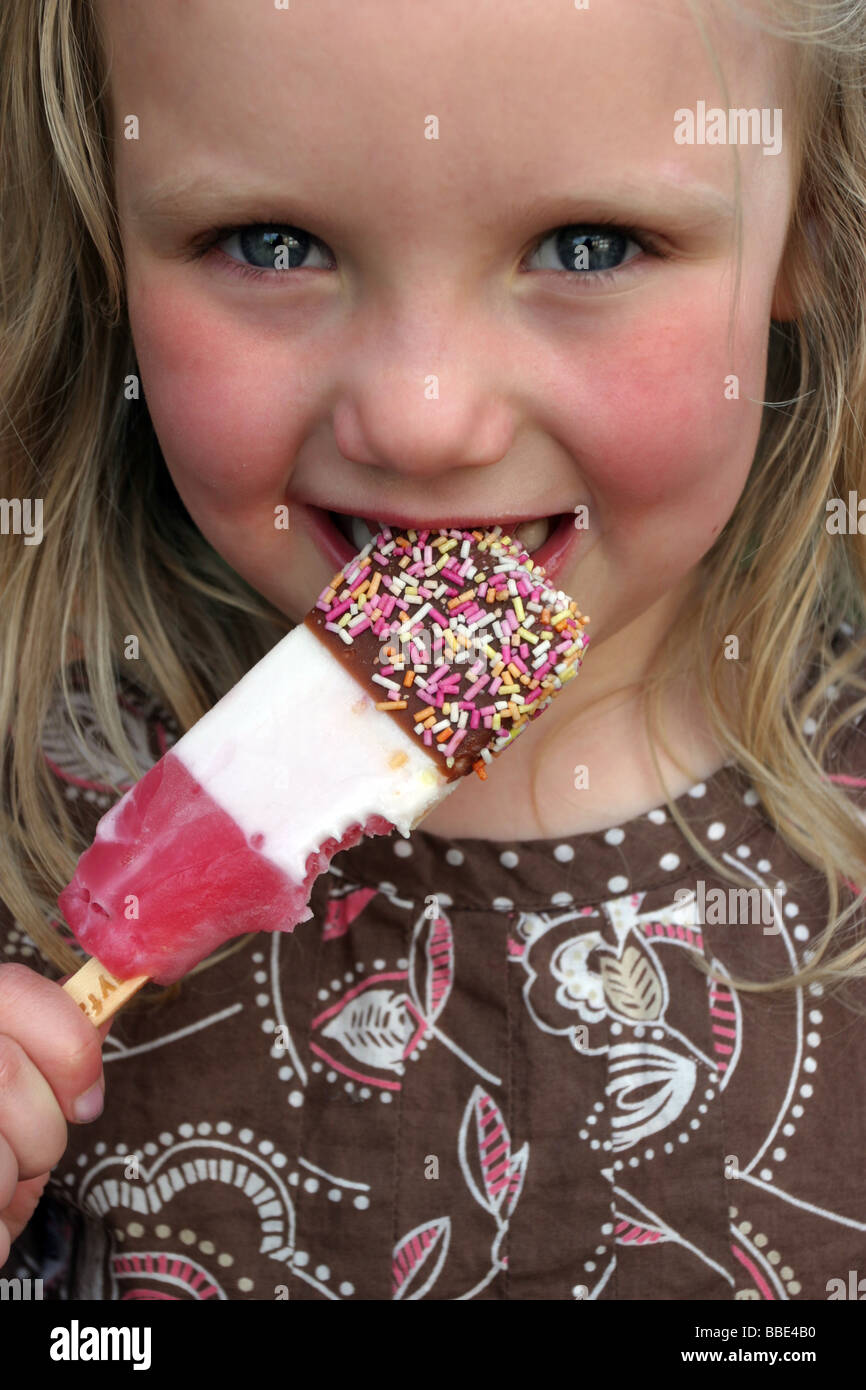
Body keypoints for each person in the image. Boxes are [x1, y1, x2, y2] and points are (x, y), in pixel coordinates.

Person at [1, 0, 865, 1301]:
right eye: (270, 242)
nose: (420, 421)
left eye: (587, 245)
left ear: (803, 229)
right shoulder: (27, 822)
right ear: (105, 235)